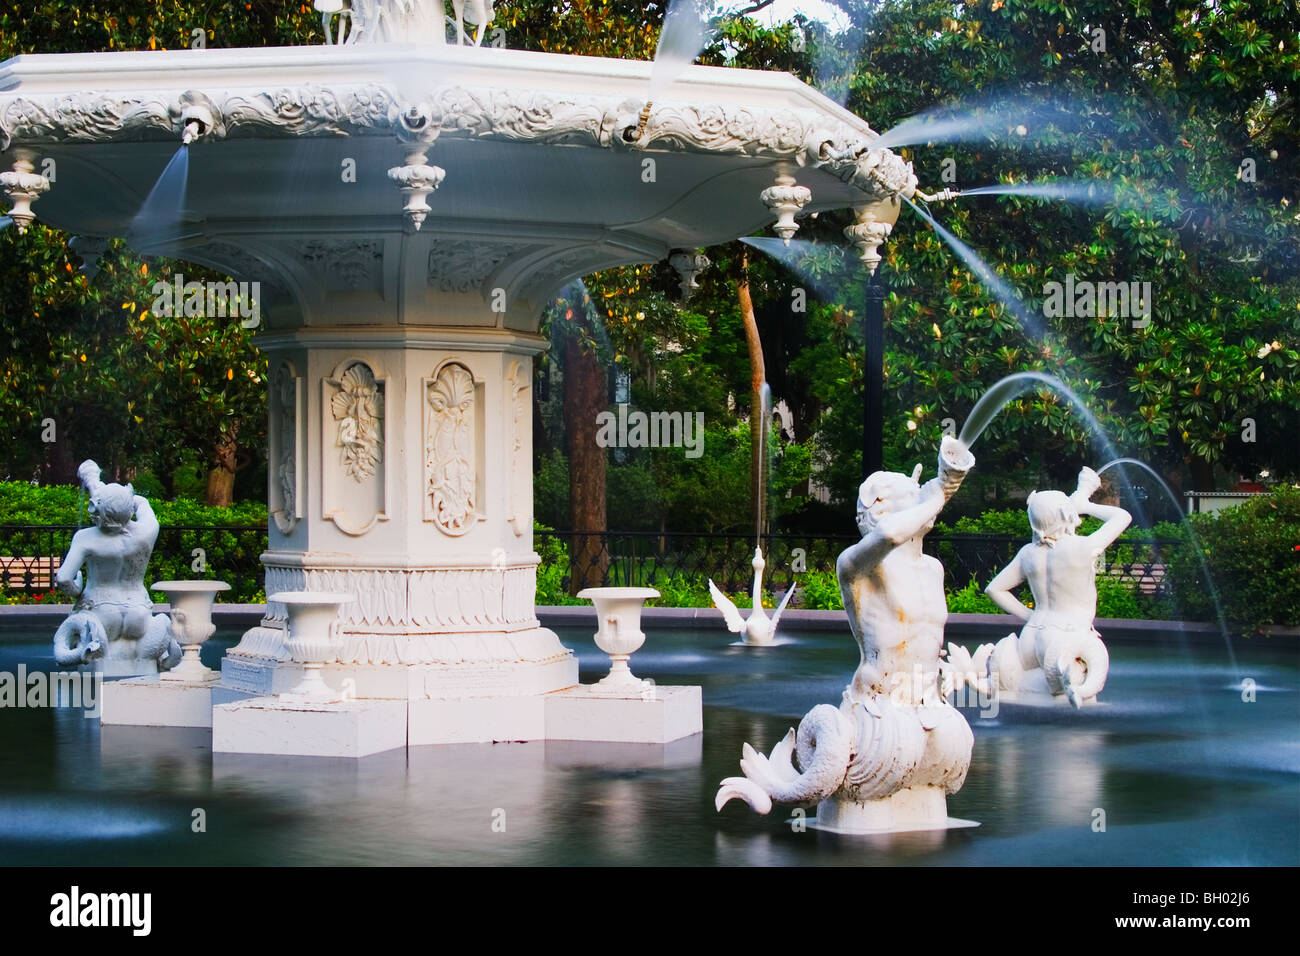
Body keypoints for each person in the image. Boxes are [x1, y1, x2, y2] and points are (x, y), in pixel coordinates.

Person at [984, 466, 1131, 706]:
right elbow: (1122, 517)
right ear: (1066, 514)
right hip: (1065, 634)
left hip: (1030, 636)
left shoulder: (1028, 553)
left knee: (1024, 692)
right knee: (1066, 697)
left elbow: (994, 589)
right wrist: (1085, 505)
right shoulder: (1083, 548)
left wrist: (1031, 615)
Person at [52, 461, 180, 669]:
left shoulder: (85, 538)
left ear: (98, 510)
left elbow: (64, 579)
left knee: (79, 634)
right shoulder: (147, 531)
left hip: (101, 612)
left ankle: (90, 650)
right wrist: (120, 498)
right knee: (147, 655)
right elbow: (142, 503)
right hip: (139, 614)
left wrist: (77, 593)